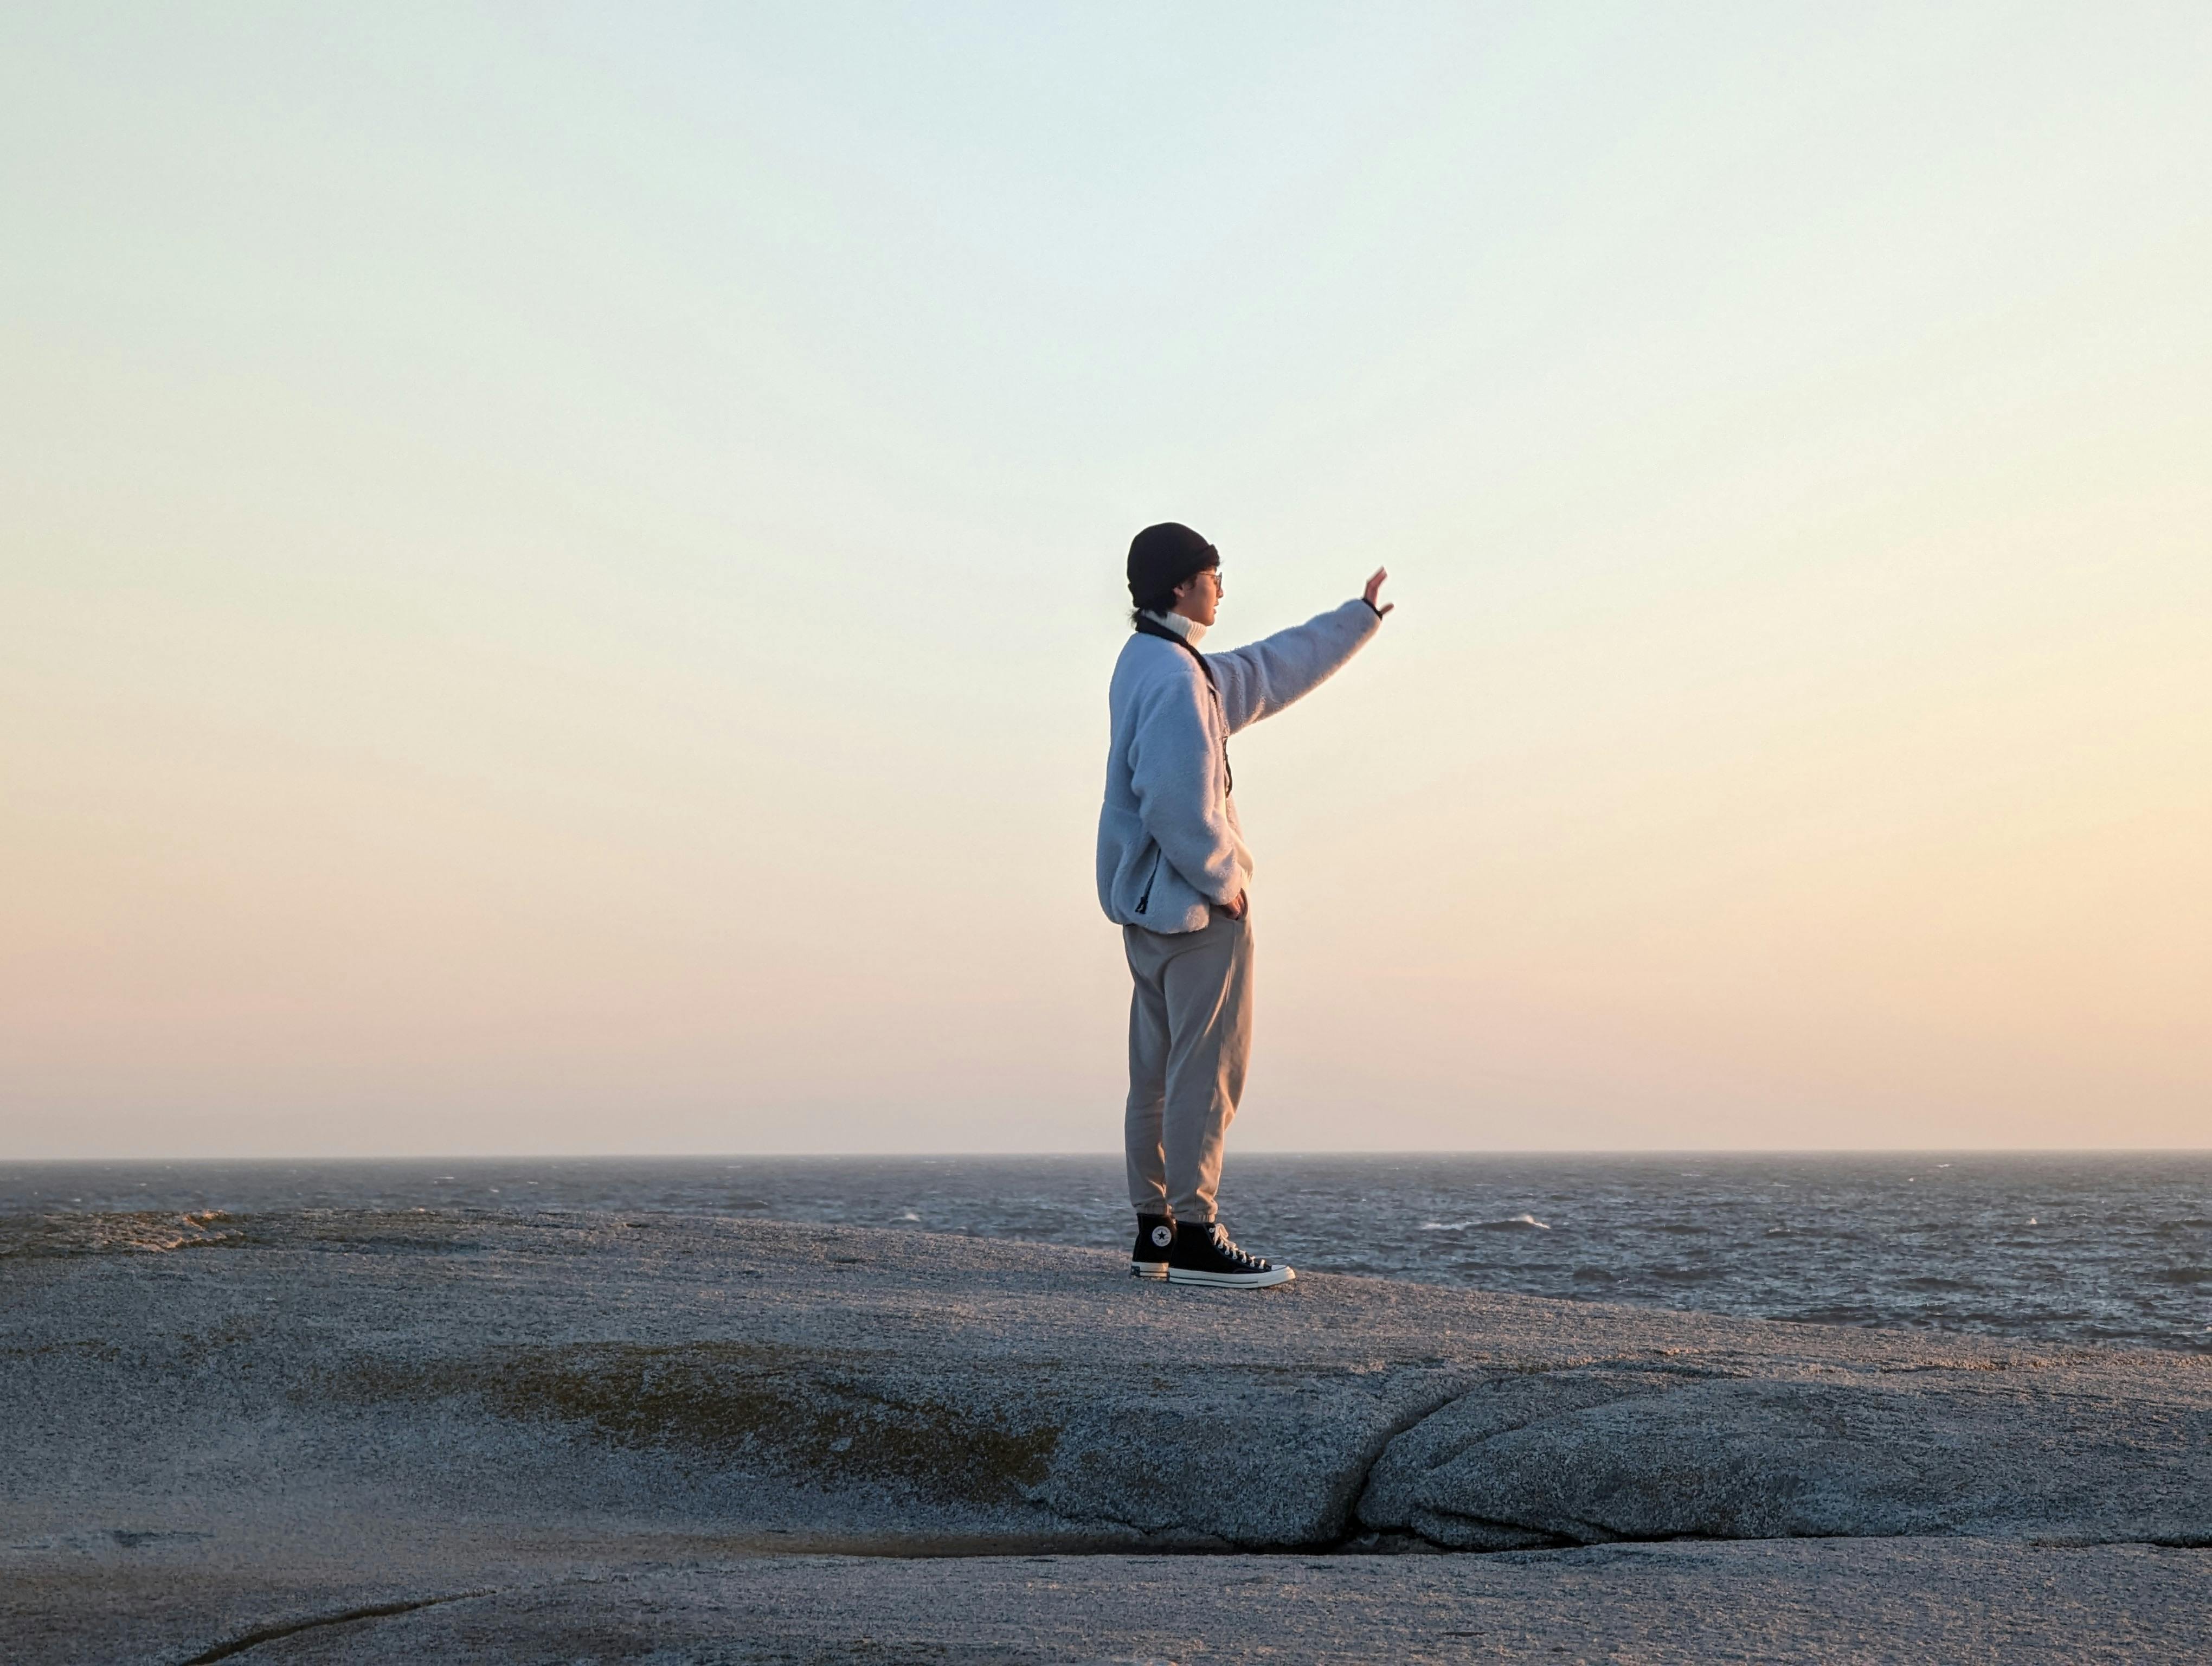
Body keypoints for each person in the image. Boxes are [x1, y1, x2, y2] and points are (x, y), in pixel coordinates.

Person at [1096, 522, 1391, 1288]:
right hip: (1196, 913)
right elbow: (1175, 804)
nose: (1223, 587)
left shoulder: (1151, 661)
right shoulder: (1172, 678)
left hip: (1147, 909)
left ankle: (1155, 1234)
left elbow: (1266, 670)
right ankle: (1195, 1233)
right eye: (1214, 575)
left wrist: (1354, 621)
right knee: (1207, 1072)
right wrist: (1226, 882)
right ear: (1182, 585)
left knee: (1155, 1075)